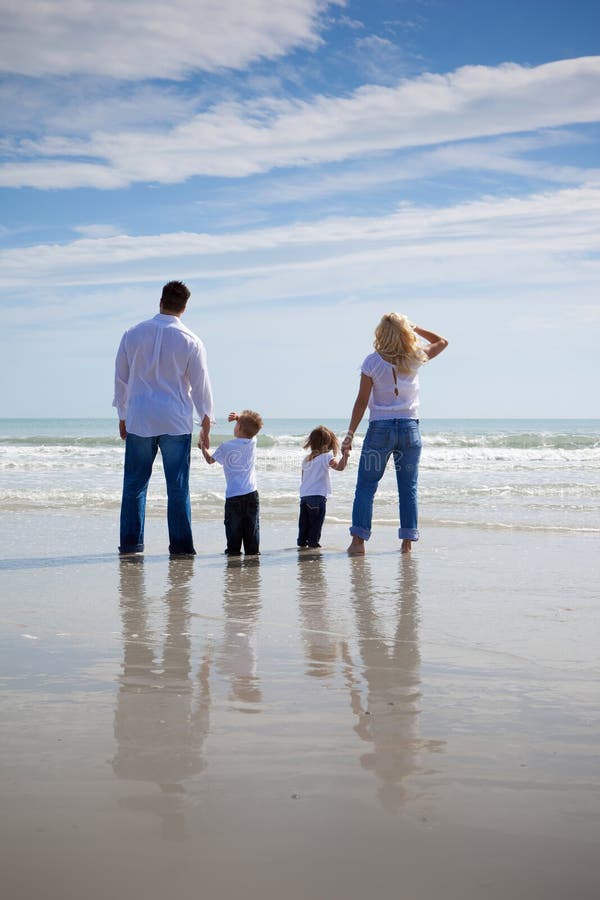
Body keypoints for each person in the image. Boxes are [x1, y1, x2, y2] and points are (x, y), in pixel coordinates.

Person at [113, 280, 214, 556]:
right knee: (178, 488)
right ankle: (181, 548)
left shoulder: (132, 334)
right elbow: (201, 385)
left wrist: (123, 415)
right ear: (184, 307)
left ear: (160, 301)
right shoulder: (191, 340)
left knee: (134, 485)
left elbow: (121, 380)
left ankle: (131, 546)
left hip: (140, 417)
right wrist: (206, 423)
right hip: (175, 420)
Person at [342, 313, 448, 556]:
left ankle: (358, 542)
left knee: (366, 486)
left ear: (381, 333)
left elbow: (361, 401)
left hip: (380, 429)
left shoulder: (371, 362)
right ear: (404, 332)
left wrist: (349, 435)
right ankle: (406, 543)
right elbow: (442, 341)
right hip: (410, 429)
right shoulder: (415, 357)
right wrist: (417, 328)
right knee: (408, 488)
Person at [201, 410, 263, 556]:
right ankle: (253, 555)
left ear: (239, 428)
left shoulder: (226, 446)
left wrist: (203, 447)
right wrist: (239, 418)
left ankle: (233, 554)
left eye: (237, 424)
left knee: (233, 529)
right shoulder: (253, 442)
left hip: (234, 496)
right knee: (252, 528)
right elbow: (252, 429)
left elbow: (210, 460)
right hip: (251, 494)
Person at [298, 425, 347, 549]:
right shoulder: (327, 457)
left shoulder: (306, 460)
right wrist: (345, 456)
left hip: (304, 496)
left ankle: (302, 544)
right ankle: (313, 548)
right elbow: (340, 467)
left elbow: (303, 479)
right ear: (329, 443)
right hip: (317, 497)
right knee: (316, 525)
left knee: (304, 525)